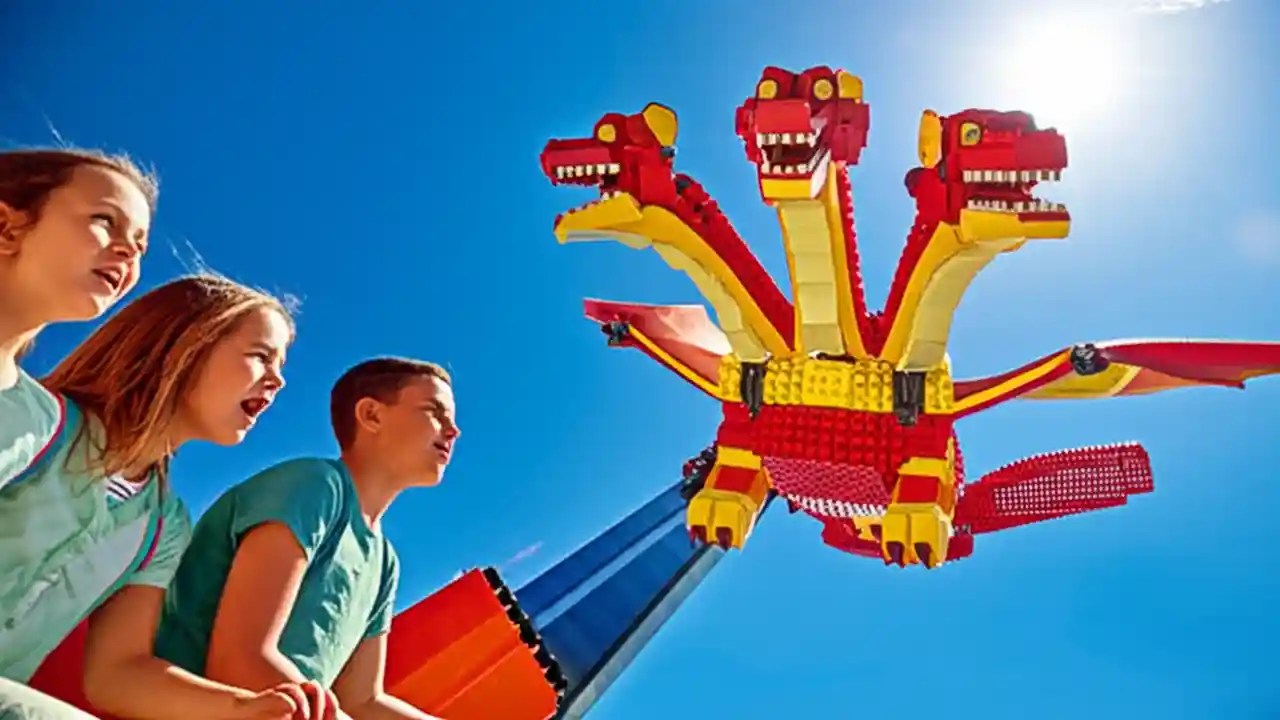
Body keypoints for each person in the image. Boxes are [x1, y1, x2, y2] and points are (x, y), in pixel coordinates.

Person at [0, 258, 332, 718]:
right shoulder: (32, 419)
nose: (278, 380)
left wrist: (244, 708)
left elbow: (116, 671)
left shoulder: (163, 525)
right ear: (186, 345)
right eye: (260, 355)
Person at [155, 357, 461, 720]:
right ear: (372, 416)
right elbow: (240, 663)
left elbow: (362, 700)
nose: (453, 431)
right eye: (434, 412)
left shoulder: (385, 562)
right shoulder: (316, 486)